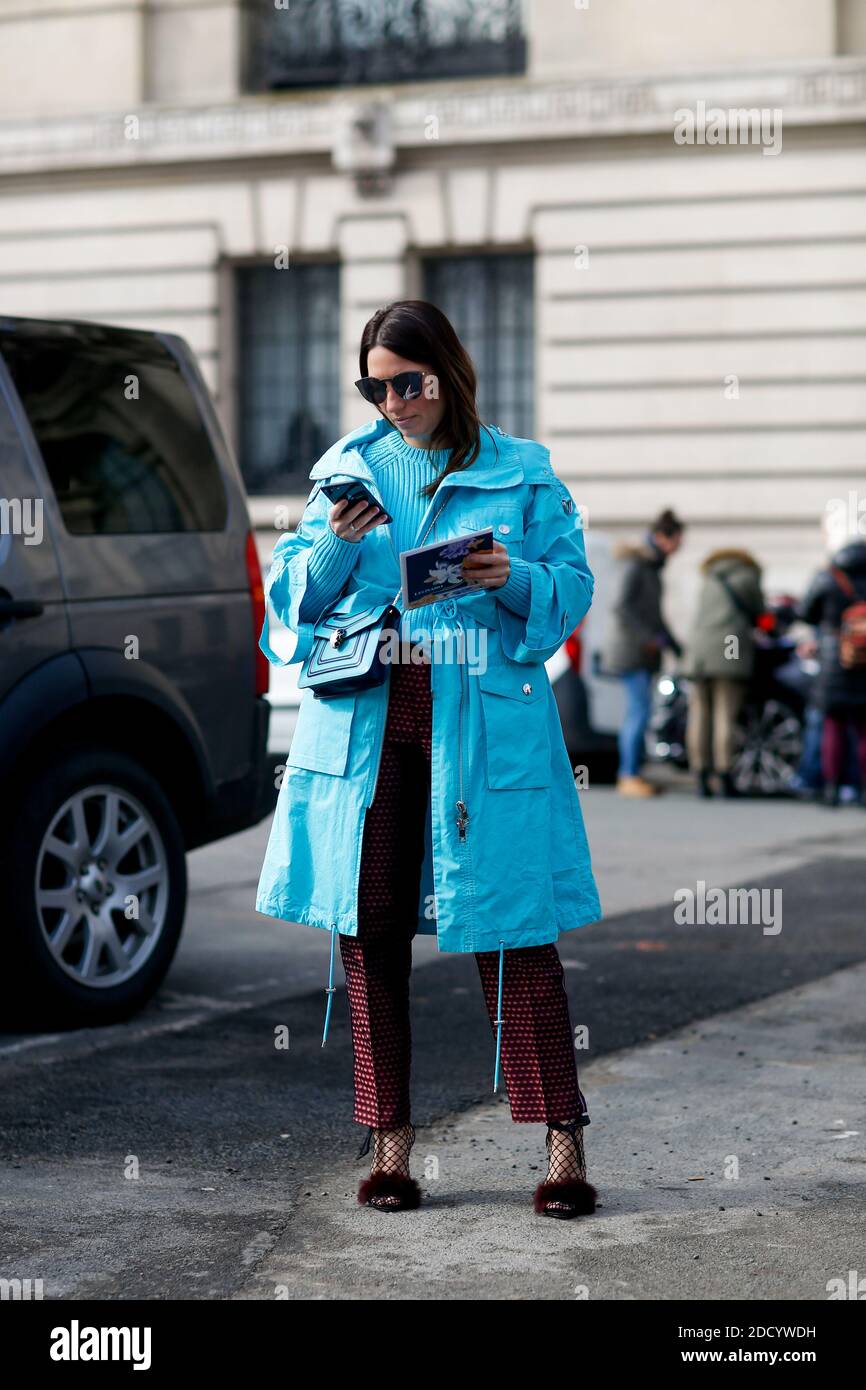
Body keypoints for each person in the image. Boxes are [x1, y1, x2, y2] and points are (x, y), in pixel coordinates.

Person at [256, 300, 602, 1218]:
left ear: (449, 373)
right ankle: (391, 1146)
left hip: (480, 727)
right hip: (370, 730)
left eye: (407, 382)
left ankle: (563, 1148)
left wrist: (513, 578)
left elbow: (571, 591)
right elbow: (289, 608)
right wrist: (336, 545)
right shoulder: (345, 468)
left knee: (513, 928)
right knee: (367, 936)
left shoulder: (520, 470)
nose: (392, 402)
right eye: (375, 385)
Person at [602, 509, 685, 796]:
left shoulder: (651, 567)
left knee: (641, 711)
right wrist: (650, 638)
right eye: (677, 542)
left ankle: (633, 772)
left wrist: (676, 646)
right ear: (662, 537)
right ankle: (628, 775)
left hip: (643, 652)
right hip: (631, 653)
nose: (678, 549)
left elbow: (655, 615)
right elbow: (621, 606)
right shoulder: (637, 565)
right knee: (638, 712)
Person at [683, 548, 765, 798]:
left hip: (699, 651)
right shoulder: (748, 577)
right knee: (724, 714)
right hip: (729, 649)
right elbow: (759, 611)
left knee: (699, 713)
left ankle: (700, 774)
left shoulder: (709, 578)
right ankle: (724, 774)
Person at [797, 538, 866, 807]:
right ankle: (861, 790)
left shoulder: (828, 579)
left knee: (832, 727)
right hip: (864, 663)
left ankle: (831, 787)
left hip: (833, 659)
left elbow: (806, 613)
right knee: (863, 730)